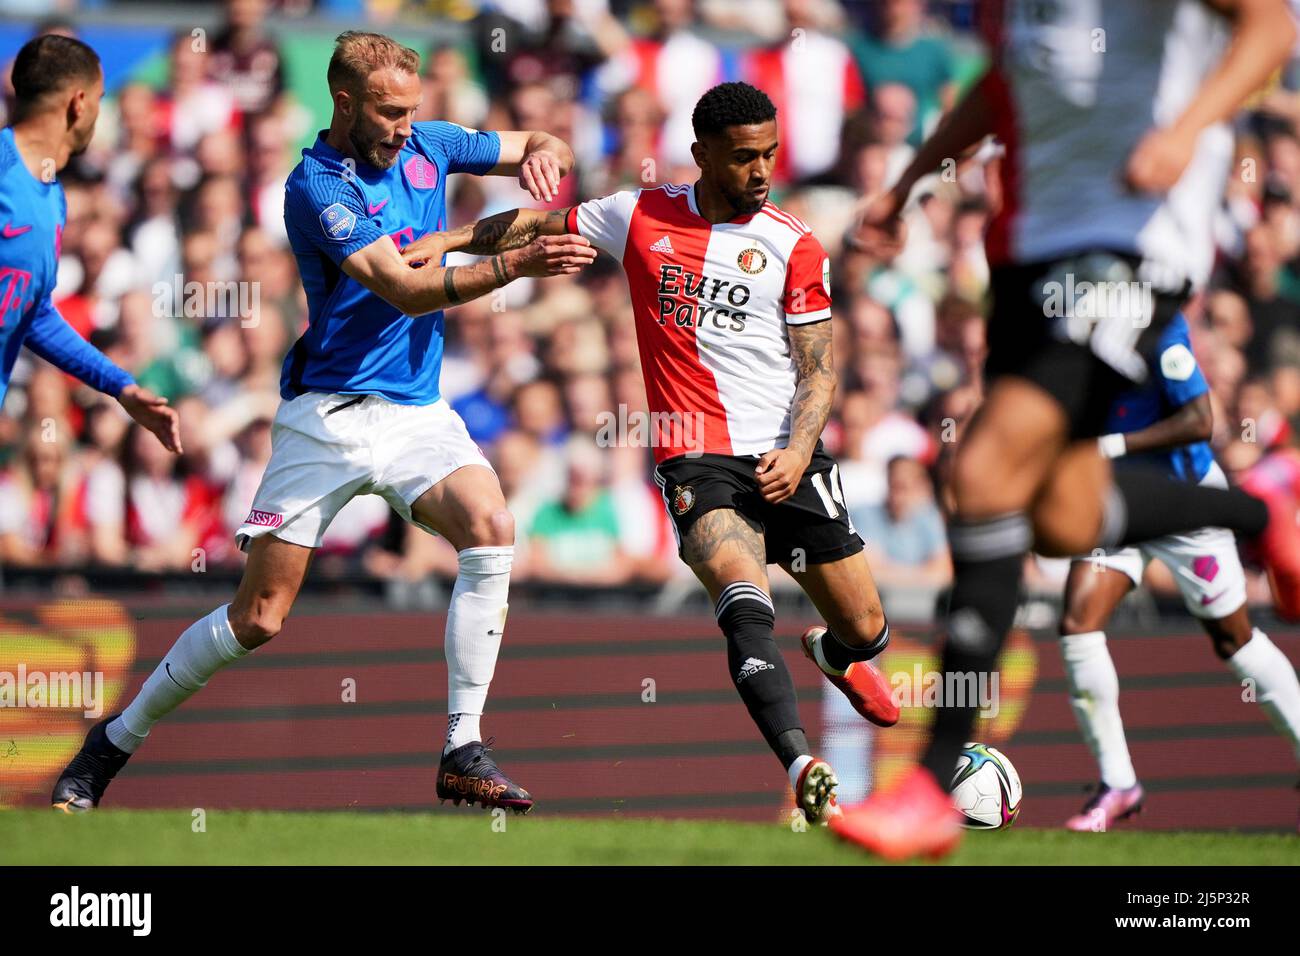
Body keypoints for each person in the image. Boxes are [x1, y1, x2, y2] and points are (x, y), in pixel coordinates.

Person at [51, 31, 597, 815]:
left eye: (412, 110)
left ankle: (461, 747)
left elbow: (535, 143)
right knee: (258, 618)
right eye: (388, 111)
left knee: (490, 523)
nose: (406, 126)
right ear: (345, 102)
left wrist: (546, 150)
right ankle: (114, 742)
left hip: (415, 412)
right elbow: (403, 290)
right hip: (328, 420)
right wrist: (518, 260)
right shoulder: (316, 186)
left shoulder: (431, 141)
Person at [838, 0, 1295, 859]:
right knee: (1060, 517)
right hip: (1029, 255)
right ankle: (1262, 513)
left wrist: (1185, 132)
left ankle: (934, 785)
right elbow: (1006, 85)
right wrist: (908, 185)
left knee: (981, 474)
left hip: (1130, 243)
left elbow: (1270, 26)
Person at [403, 82, 901, 824]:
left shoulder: (794, 244)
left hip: (786, 456)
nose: (761, 171)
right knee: (743, 605)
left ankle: (835, 654)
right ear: (702, 155)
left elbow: (819, 369)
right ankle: (801, 761)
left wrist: (800, 451)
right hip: (695, 458)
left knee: (868, 630)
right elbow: (537, 222)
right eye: (742, 158)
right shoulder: (640, 214)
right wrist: (445, 241)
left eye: (769, 154)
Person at [1059, 312, 1300, 831]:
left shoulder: (1160, 329)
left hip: (1183, 501)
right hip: (1117, 502)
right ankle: (1118, 782)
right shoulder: (1076, 328)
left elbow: (1199, 421)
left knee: (1233, 639)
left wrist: (1109, 446)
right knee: (1079, 622)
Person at [1, 35, 180, 470]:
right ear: (78, 103)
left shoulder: (51, 199)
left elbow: (34, 313)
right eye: (102, 99)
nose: (103, 114)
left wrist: (120, 387)